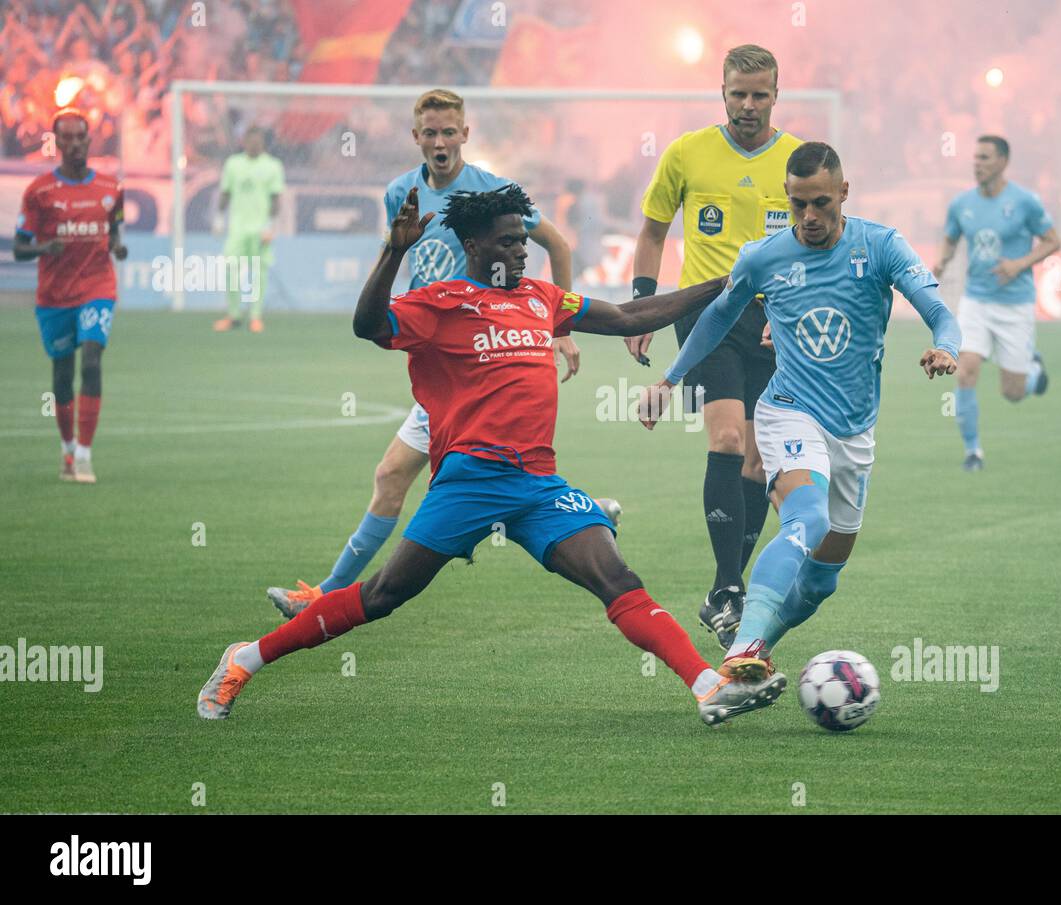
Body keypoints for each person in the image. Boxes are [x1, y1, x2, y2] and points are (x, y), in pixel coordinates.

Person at [199, 185, 785, 727]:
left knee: (617, 578)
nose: (521, 251)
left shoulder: (541, 298)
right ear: (474, 246)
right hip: (469, 483)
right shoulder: (442, 302)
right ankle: (246, 657)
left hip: (537, 484)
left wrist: (727, 283)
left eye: (523, 240)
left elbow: (630, 316)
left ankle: (708, 686)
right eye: (508, 241)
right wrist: (391, 252)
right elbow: (366, 325)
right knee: (382, 596)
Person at [640, 142, 960, 690]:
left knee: (820, 581)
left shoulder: (880, 246)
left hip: (854, 431)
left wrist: (945, 345)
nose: (809, 218)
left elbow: (938, 309)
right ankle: (744, 642)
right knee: (805, 518)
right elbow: (716, 319)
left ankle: (758, 648)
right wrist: (670, 379)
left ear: (843, 193)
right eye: (797, 205)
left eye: (820, 204)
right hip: (789, 412)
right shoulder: (763, 257)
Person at [265, 89, 580, 615]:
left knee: (403, 475)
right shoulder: (400, 192)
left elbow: (559, 244)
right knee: (454, 480)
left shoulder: (492, 192)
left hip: (479, 355)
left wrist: (559, 325)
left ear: (465, 133)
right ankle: (588, 512)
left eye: (448, 131)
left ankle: (323, 597)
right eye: (430, 133)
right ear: (416, 137)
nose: (440, 142)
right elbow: (399, 253)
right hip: (439, 355)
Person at [624, 44, 804, 649]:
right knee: (727, 439)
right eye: (737, 94)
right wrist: (642, 306)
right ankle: (730, 587)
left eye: (759, 94)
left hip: (775, 324)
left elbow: (817, 247)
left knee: (757, 461)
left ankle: (724, 589)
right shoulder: (687, 153)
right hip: (708, 314)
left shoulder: (797, 161)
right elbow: (653, 230)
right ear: (722, 92)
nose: (748, 105)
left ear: (776, 94)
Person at [933, 135, 1061, 471]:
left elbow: (1053, 241)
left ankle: (1033, 372)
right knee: (966, 370)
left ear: (1003, 161)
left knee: (1013, 392)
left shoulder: (1025, 202)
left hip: (1014, 304)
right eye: (975, 157)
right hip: (976, 300)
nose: (978, 163)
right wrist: (940, 264)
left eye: (985, 158)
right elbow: (950, 238)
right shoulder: (962, 204)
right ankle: (973, 452)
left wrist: (1019, 264)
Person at [14, 108, 126, 484]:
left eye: (81, 137)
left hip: (97, 287)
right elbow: (19, 248)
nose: (75, 144)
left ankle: (84, 455)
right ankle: (66, 447)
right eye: (68, 138)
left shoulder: (111, 189)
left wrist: (118, 245)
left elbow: (115, 232)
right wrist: (46, 247)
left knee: (91, 362)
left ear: (89, 140)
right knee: (63, 375)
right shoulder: (39, 192)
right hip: (55, 295)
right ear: (56, 142)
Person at [213, 126, 283, 332]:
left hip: (260, 228)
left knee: (259, 272)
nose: (253, 144)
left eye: (257, 140)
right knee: (231, 268)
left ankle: (255, 316)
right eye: (249, 140)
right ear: (243, 141)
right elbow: (225, 193)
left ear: (262, 142)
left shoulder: (272, 166)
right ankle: (233, 315)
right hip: (237, 228)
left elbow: (276, 199)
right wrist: (218, 217)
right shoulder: (233, 164)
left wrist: (271, 225)